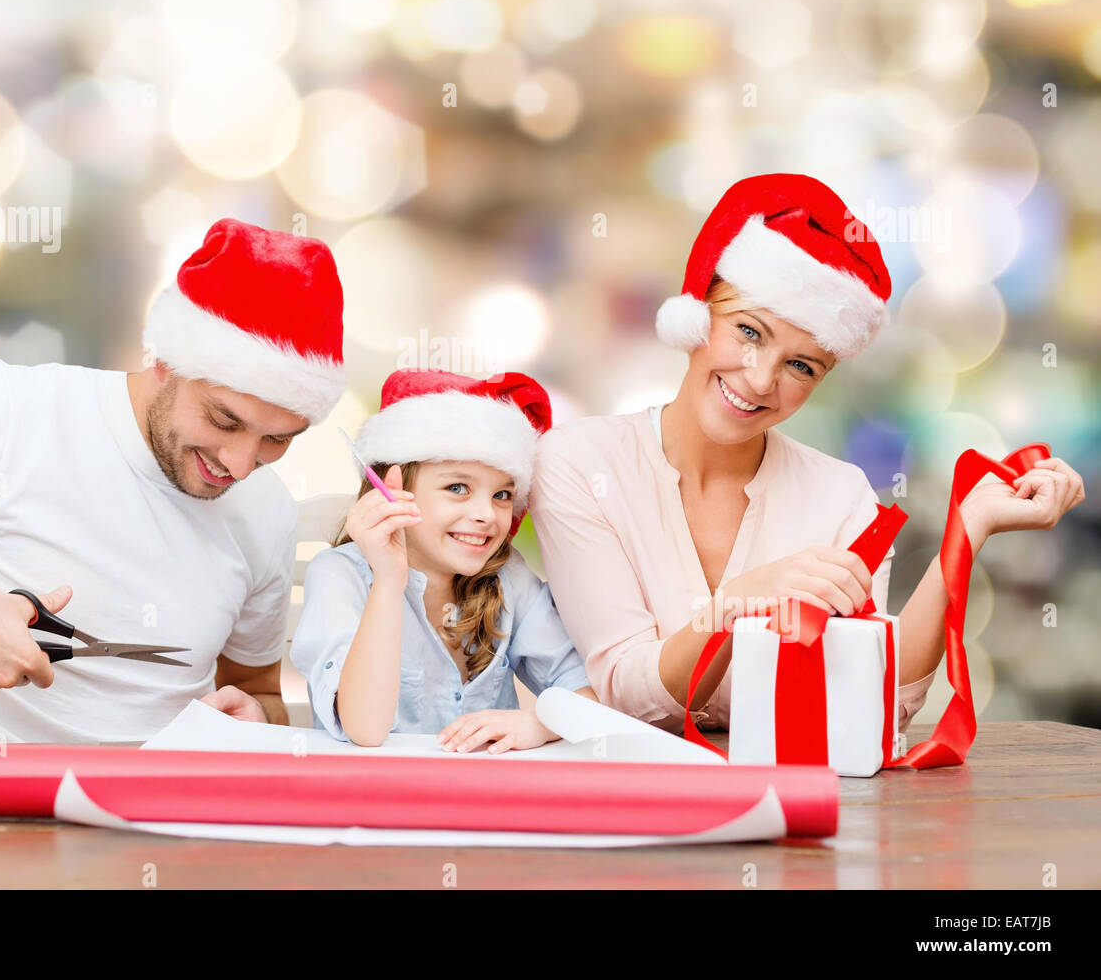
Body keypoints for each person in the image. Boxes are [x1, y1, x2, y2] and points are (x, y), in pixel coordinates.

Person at [529, 173, 1085, 735]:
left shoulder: (841, 498)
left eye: (801, 365)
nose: (761, 379)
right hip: (629, 804)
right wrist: (741, 600)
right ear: (701, 313)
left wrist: (969, 529)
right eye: (749, 332)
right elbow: (625, 694)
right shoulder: (579, 463)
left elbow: (874, 702)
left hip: (799, 803)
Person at [0, 219, 346, 742]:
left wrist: (255, 716)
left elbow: (254, 690)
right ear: (165, 362)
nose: (241, 465)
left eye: (278, 439)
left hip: (160, 822)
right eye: (223, 420)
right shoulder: (5, 412)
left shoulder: (266, 510)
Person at [291, 369, 597, 751]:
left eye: (502, 495)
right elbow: (365, 729)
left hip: (481, 800)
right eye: (458, 488)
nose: (487, 514)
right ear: (391, 489)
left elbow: (586, 694)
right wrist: (389, 581)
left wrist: (540, 723)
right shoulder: (340, 575)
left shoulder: (507, 576)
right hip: (371, 800)